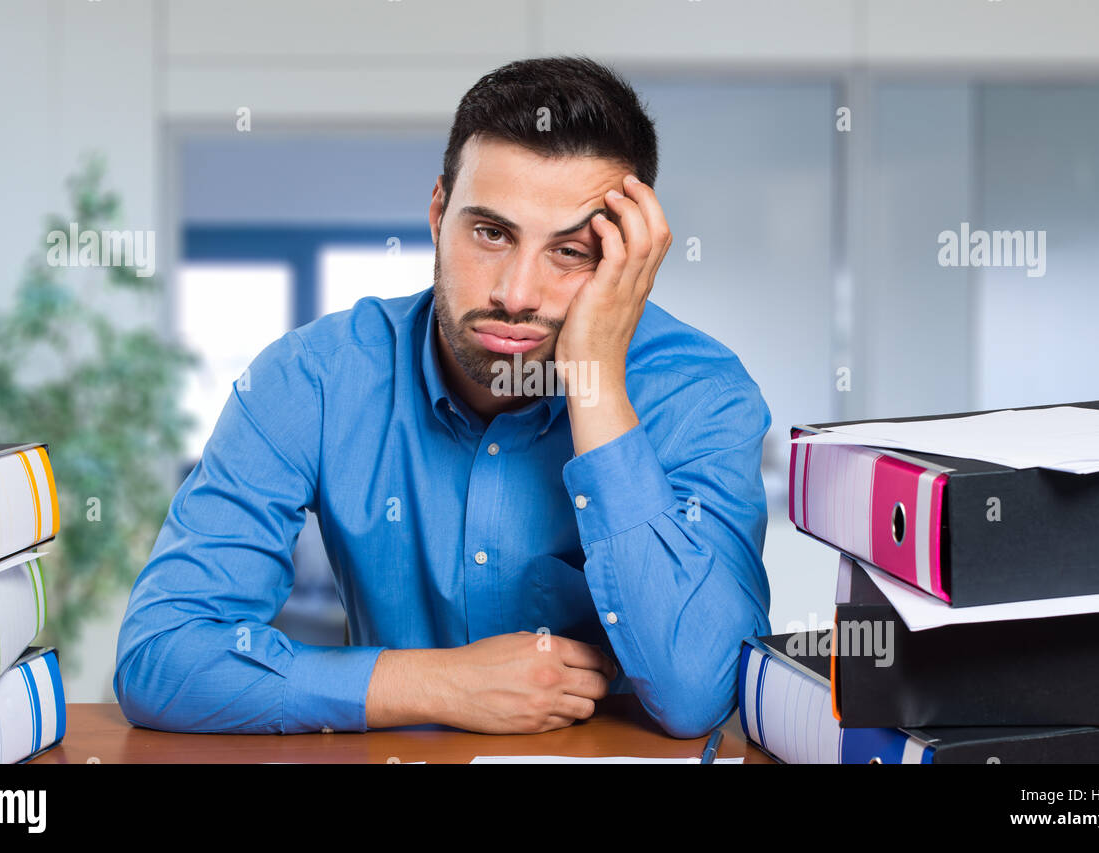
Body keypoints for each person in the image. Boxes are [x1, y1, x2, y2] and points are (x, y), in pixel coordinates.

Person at [114, 55, 772, 739]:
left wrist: (596, 381)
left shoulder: (703, 394)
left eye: (570, 251)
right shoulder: (313, 377)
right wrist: (440, 682)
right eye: (491, 233)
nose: (516, 294)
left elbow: (699, 691)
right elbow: (160, 656)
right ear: (437, 214)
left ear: (626, 260)